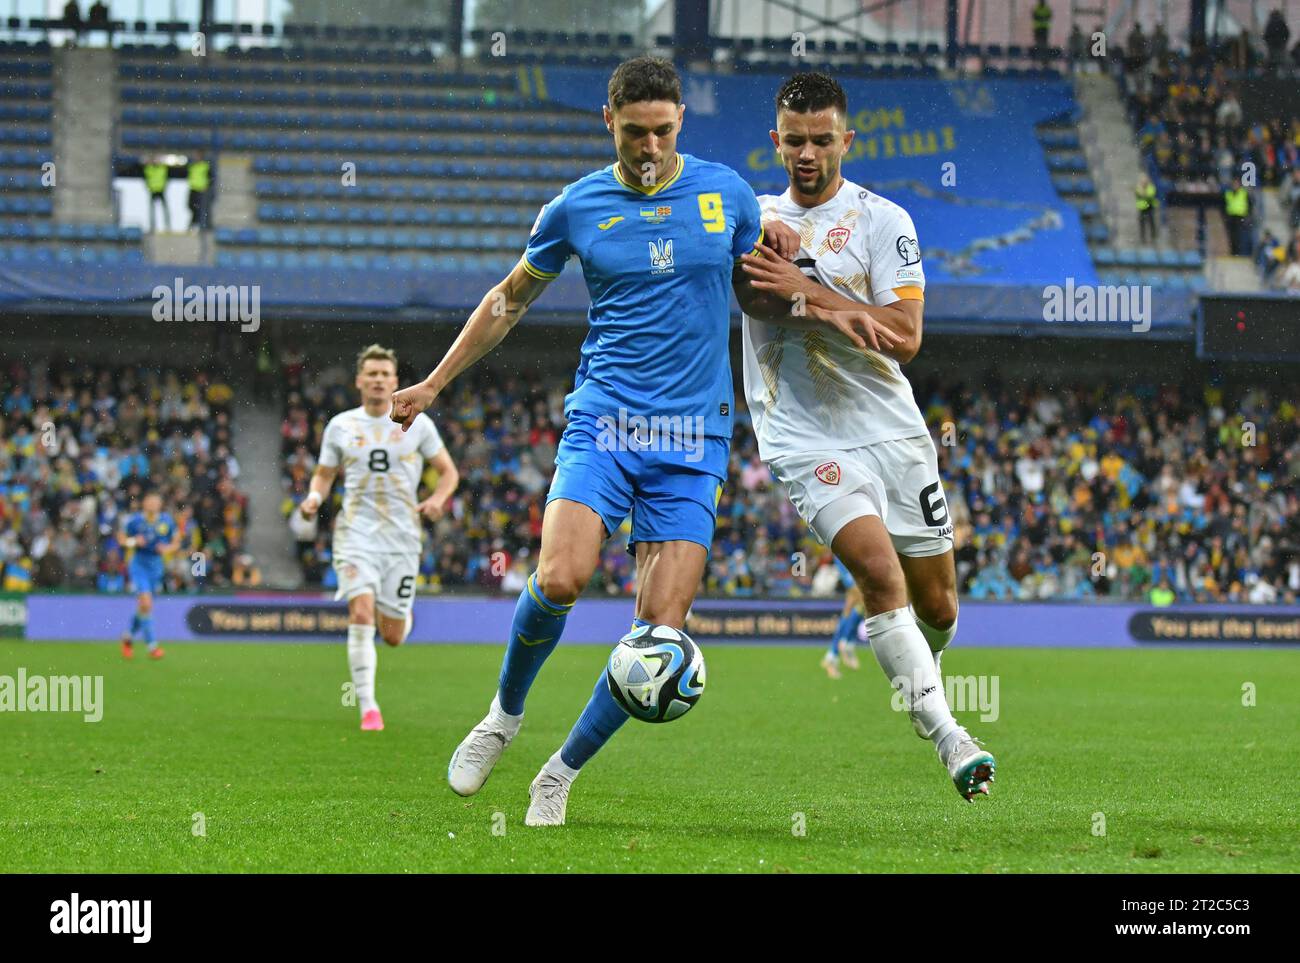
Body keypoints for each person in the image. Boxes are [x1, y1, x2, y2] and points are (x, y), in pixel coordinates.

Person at [389, 56, 808, 827]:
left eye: (661, 130)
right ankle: (503, 718)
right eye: (633, 132)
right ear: (606, 122)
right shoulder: (577, 206)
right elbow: (506, 301)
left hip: (694, 437)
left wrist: (787, 261)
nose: (648, 147)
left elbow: (761, 285)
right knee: (560, 577)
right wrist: (435, 384)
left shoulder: (728, 194)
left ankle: (558, 772)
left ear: (680, 120)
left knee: (657, 636)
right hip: (606, 420)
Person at [735, 72, 996, 802]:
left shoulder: (886, 221)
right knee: (878, 577)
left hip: (890, 425)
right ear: (775, 142)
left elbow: (904, 337)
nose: (808, 153)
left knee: (938, 606)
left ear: (847, 139)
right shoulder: (749, 218)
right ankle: (952, 736)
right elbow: (759, 293)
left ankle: (921, 678)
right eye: (794, 140)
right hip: (802, 431)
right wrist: (813, 298)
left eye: (822, 140)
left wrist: (811, 292)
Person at [297, 345, 460, 732]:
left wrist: (437, 500)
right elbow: (324, 473)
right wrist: (314, 497)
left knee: (392, 637)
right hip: (356, 534)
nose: (377, 380)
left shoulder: (418, 423)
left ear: (395, 381)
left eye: (384, 374)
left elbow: (449, 472)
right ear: (358, 381)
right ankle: (368, 707)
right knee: (360, 613)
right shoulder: (341, 426)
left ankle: (401, 614)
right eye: (370, 373)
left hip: (402, 538)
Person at [119, 491, 184, 660]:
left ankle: (127, 637)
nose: (152, 505)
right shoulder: (135, 521)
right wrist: (133, 541)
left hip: (156, 566)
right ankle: (152, 646)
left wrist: (167, 548)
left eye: (156, 502)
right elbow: (121, 539)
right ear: (144, 503)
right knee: (147, 604)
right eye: (150, 501)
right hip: (139, 564)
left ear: (160, 505)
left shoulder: (166, 521)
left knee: (143, 607)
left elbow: (177, 541)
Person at [1223, 175, 1251, 256]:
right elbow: (1224, 205)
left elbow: (1250, 205)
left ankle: (1240, 253)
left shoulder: (1244, 193)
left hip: (1241, 217)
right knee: (1231, 236)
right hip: (1231, 217)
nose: (1235, 186)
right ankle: (1233, 252)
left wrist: (1248, 215)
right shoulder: (1228, 193)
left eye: (1237, 184)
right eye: (1234, 184)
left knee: (1240, 236)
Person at [143, 156, 170, 233]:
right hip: (153, 191)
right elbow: (145, 172)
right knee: (152, 210)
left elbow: (166, 176)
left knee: (165, 209)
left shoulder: (162, 168)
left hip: (161, 190)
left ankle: (167, 226)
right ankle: (152, 226)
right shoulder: (149, 169)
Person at [187, 151, 211, 231]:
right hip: (193, 189)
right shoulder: (192, 166)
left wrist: (207, 185)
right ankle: (194, 223)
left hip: (201, 190)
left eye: (198, 156)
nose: (196, 158)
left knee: (202, 209)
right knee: (191, 207)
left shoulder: (205, 166)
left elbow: (210, 177)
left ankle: (201, 226)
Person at [1135, 173, 1158, 243]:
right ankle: (1143, 238)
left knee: (1151, 222)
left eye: (1145, 180)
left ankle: (1153, 237)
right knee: (1142, 223)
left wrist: (1143, 193)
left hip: (1149, 207)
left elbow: (1149, 195)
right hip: (1142, 208)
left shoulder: (1151, 187)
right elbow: (1138, 193)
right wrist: (1143, 193)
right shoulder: (1139, 187)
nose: (1144, 181)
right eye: (1143, 180)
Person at [1031, 1, 1053, 66]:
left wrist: (1041, 18)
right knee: (1038, 43)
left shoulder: (1045, 8)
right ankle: (1039, 57)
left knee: (1044, 44)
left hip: (1043, 28)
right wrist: (1043, 18)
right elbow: (1034, 16)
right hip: (1038, 28)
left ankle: (1043, 59)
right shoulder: (1037, 8)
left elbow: (1049, 16)